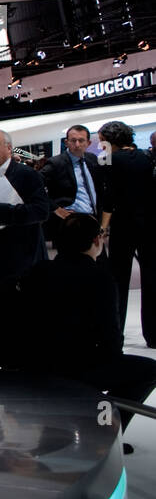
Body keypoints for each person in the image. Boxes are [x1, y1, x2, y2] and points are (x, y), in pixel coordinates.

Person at [14, 214, 156, 451]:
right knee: (149, 370)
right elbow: (111, 339)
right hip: (80, 367)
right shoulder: (100, 278)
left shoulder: (39, 271)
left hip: (35, 364)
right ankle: (105, 431)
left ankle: (65, 428)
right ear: (95, 241)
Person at [0, 129, 50, 311]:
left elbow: (41, 211)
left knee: (22, 314)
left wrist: (2, 212)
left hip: (21, 260)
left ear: (9, 148)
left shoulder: (26, 175)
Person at [97, 120, 156, 346]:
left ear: (111, 140)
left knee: (118, 281)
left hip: (123, 225)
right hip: (150, 225)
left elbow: (108, 198)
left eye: (102, 141)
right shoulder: (146, 157)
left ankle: (115, 333)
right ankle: (153, 335)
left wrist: (102, 227)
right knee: (152, 279)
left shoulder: (110, 161)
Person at [41, 125, 104, 243]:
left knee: (99, 259)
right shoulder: (56, 163)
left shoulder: (92, 159)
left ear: (89, 143)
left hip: (93, 219)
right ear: (66, 142)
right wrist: (55, 208)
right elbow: (34, 186)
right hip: (70, 222)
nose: (77, 145)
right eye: (73, 140)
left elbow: (98, 189)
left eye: (81, 140)